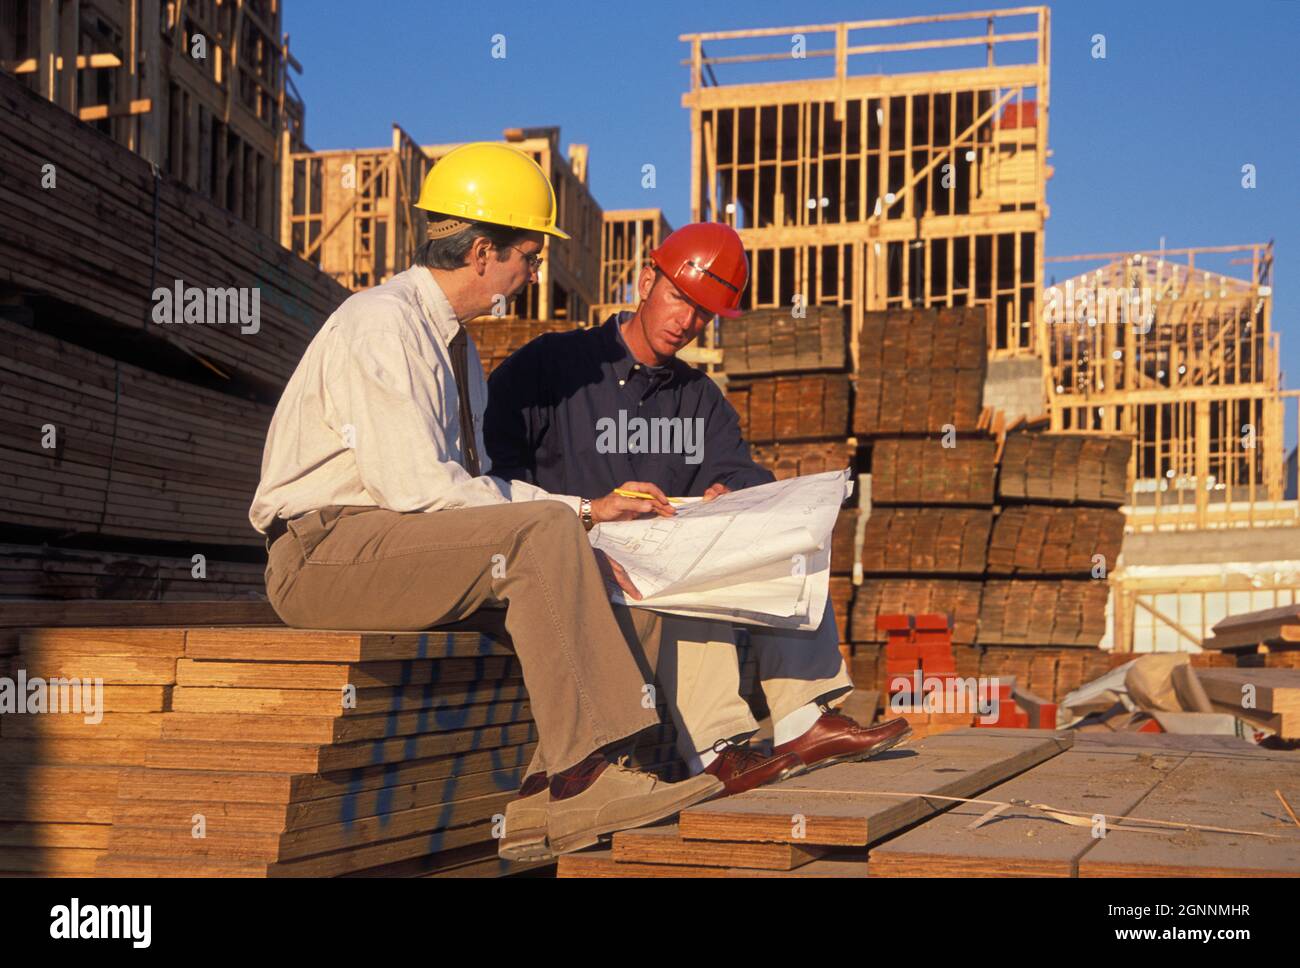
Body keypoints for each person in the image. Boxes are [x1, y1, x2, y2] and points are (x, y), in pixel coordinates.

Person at [248, 143, 722, 863]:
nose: (531, 276)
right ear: (480, 252)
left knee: (628, 593)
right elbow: (423, 492)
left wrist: (590, 511)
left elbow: (469, 492)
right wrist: (571, 519)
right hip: (324, 554)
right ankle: (581, 777)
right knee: (546, 535)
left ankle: (545, 800)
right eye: (527, 259)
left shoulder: (455, 350)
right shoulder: (382, 324)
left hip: (396, 545)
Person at [484, 222, 910, 831]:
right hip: (574, 555)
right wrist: (579, 516)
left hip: (668, 554)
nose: (687, 323)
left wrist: (732, 492)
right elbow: (495, 472)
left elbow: (742, 469)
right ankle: (718, 749)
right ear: (646, 279)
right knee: (677, 581)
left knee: (786, 528)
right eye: (681, 299)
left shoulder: (699, 397)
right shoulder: (552, 366)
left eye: (704, 314)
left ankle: (803, 718)